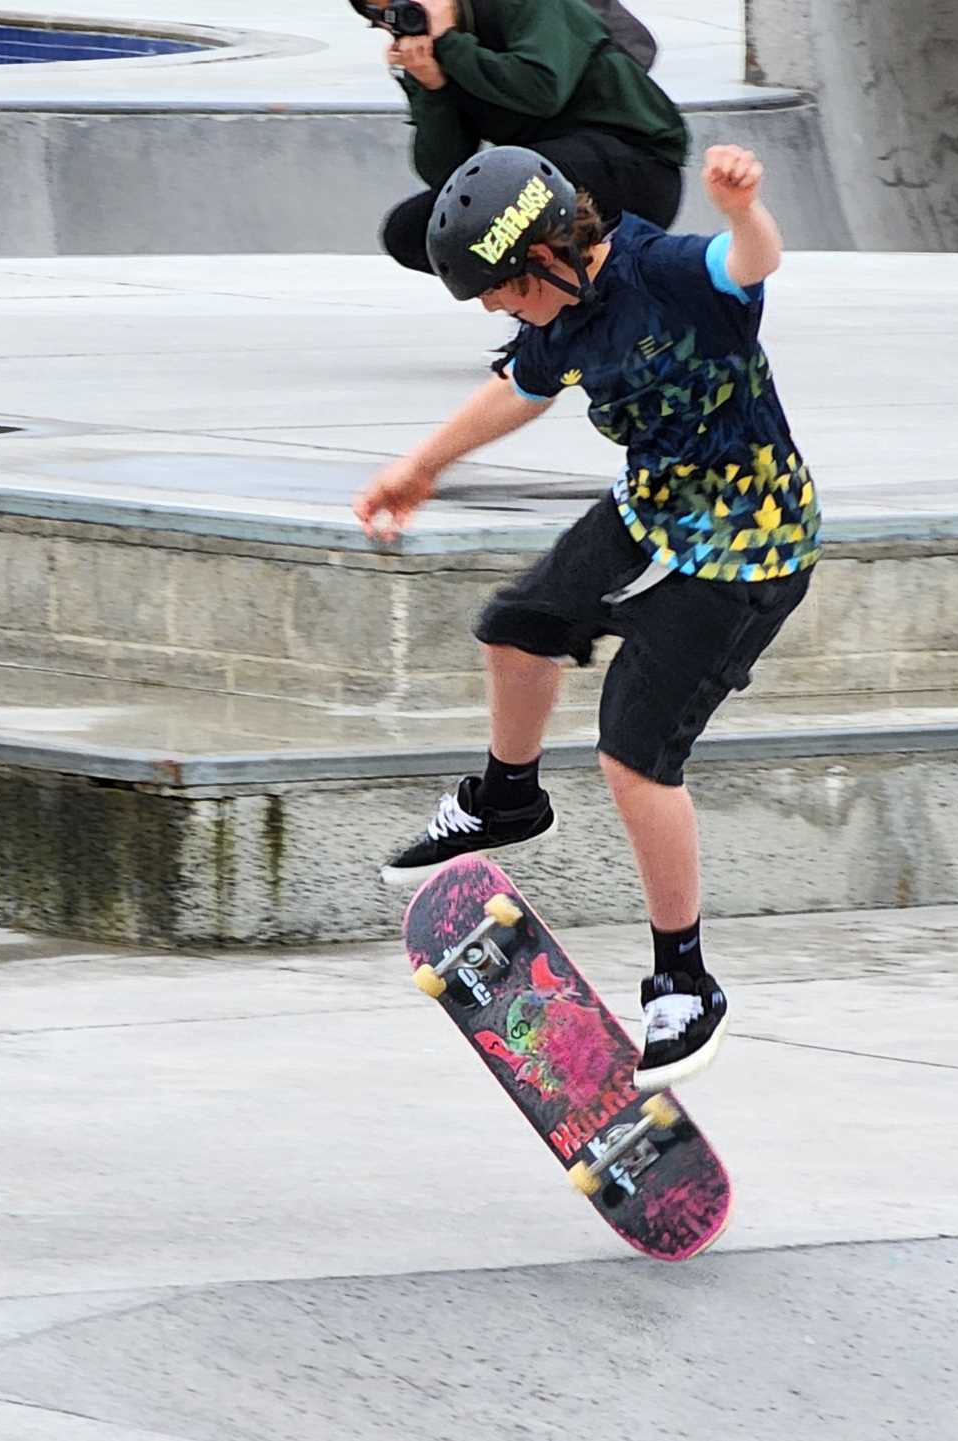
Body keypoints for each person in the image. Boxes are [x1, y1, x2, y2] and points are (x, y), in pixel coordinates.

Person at [353, 143, 817, 1091]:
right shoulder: (560, 315)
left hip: (749, 547)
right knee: (517, 627)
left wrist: (741, 207)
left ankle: (683, 979)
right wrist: (423, 467)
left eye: (502, 289)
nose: (495, 307)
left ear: (550, 255)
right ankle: (507, 796)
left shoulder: (665, 273)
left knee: (634, 750)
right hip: (649, 513)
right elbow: (517, 389)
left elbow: (753, 264)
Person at [358, 0, 689, 281]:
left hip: (636, 164)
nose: (404, 19)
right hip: (546, 172)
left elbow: (542, 89)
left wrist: (450, 43)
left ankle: (591, 306)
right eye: (385, 17)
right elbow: (442, 172)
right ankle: (553, 311)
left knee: (521, 186)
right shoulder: (435, 51)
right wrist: (434, 88)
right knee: (417, 232)